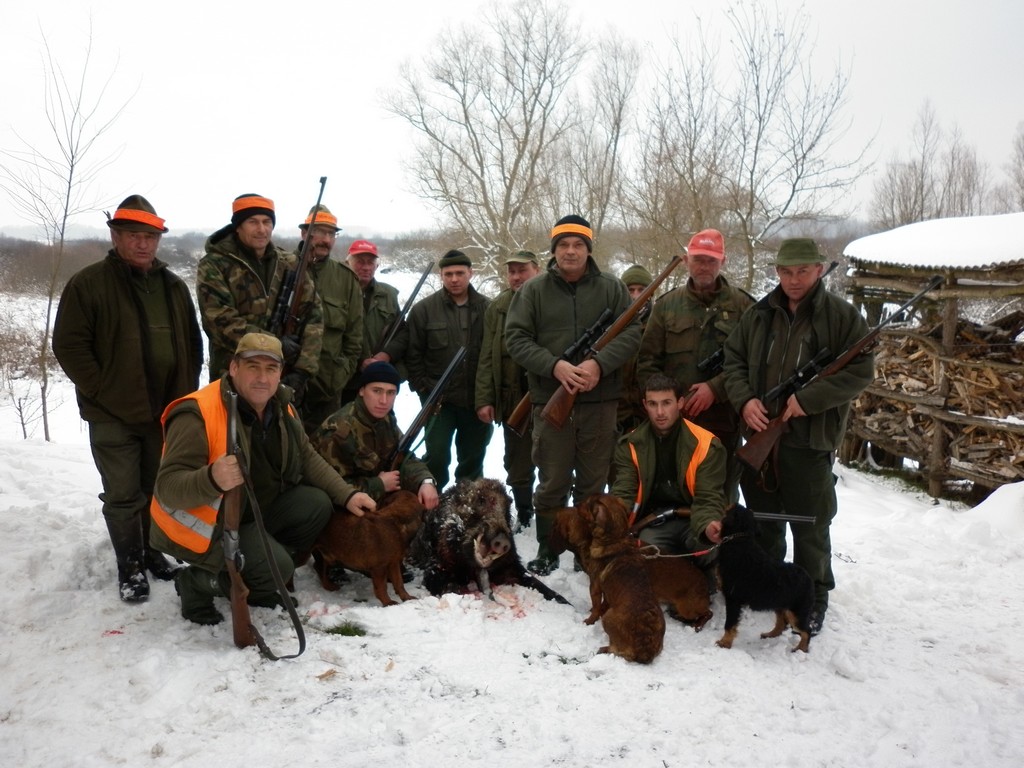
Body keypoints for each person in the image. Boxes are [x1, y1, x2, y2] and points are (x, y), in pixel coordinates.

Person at [150, 333, 376, 625]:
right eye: (252, 366)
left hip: (251, 511)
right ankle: (195, 582)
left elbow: (307, 456)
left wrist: (347, 494)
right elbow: (167, 488)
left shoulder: (282, 406)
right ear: (234, 368)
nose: (262, 378)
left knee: (317, 504)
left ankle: (258, 579)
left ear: (280, 373)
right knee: (278, 567)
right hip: (208, 527)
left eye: (271, 369)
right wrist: (211, 478)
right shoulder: (198, 413)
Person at [52, 195, 203, 604]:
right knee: (122, 494)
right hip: (112, 414)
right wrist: (103, 390)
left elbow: (193, 343)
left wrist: (184, 396)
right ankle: (130, 567)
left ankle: (152, 553)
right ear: (115, 237)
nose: (142, 243)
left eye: (150, 237)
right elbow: (69, 345)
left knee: (155, 487)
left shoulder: (173, 287)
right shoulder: (89, 284)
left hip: (163, 412)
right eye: (133, 235)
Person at [722, 238, 873, 634]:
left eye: (803, 271)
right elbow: (733, 360)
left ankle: (813, 599)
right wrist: (745, 401)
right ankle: (772, 592)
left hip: (810, 441)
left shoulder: (842, 317)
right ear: (777, 272)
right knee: (765, 524)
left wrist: (808, 400)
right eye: (786, 272)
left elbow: (860, 372)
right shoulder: (759, 315)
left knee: (810, 527)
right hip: (760, 437)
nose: (793, 279)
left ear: (819, 270)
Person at [505, 214, 641, 574]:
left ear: (588, 249)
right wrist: (555, 366)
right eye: (563, 244)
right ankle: (548, 549)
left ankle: (585, 550)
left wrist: (599, 365)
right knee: (552, 481)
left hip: (600, 404)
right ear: (553, 250)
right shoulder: (533, 291)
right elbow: (515, 338)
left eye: (578, 244)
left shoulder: (612, 288)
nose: (570, 251)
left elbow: (631, 332)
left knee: (593, 483)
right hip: (551, 401)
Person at [637, 229, 753, 502]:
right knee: (672, 496)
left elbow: (755, 363)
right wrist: (668, 405)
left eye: (711, 260)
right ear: (687, 260)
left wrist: (715, 389)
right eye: (699, 259)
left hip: (723, 424)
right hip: (674, 424)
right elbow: (647, 364)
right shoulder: (666, 306)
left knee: (720, 499)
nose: (704, 266)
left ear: (723, 262)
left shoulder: (744, 306)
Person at [196, 193, 323, 405]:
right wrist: (274, 344)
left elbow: (314, 317)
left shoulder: (290, 263)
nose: (262, 229)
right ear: (238, 226)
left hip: (283, 376)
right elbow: (219, 321)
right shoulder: (214, 265)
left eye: (267, 222)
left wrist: (303, 371)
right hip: (233, 376)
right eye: (253, 222)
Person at [610, 373, 727, 591]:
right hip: (654, 522)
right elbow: (624, 492)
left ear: (680, 403)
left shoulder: (707, 445)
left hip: (695, 519)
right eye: (653, 404)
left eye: (666, 403)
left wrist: (709, 525)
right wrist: (610, 520)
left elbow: (708, 498)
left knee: (706, 543)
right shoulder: (630, 444)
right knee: (647, 549)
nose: (660, 412)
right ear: (645, 405)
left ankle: (705, 573)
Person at [389, 249, 492, 489]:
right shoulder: (423, 310)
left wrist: (489, 394)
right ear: (441, 276)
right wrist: (424, 389)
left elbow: (494, 355)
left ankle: (466, 502)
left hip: (476, 398)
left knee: (473, 457)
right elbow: (413, 354)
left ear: (471, 273)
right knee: (436, 456)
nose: (454, 279)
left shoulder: (488, 309)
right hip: (438, 401)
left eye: (459, 273)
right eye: (448, 274)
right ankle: (431, 501)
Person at [475, 250, 542, 528]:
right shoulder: (498, 307)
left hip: (549, 395)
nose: (516, 277)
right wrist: (484, 398)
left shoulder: (551, 300)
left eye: (522, 270)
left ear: (537, 270)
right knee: (517, 460)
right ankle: (525, 513)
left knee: (556, 459)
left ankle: (553, 513)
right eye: (511, 272)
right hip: (514, 398)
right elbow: (487, 356)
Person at [315, 361, 439, 511]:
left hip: (374, 497)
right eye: (377, 391)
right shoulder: (339, 431)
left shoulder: (386, 420)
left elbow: (404, 457)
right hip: (338, 507)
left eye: (391, 393)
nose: (383, 401)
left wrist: (425, 481)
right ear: (362, 390)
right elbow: (330, 486)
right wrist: (379, 484)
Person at [295, 204, 364, 435]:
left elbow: (354, 337)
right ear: (304, 233)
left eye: (331, 234)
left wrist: (340, 376)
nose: (325, 239)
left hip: (326, 392)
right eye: (319, 232)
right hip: (282, 386)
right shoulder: (283, 267)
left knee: (324, 450)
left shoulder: (346, 279)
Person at [341, 239, 402, 404]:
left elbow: (402, 332)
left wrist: (386, 355)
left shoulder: (389, 294)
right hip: (344, 380)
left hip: (379, 381)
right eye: (360, 262)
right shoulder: (337, 292)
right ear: (347, 263)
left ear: (377, 266)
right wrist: (360, 361)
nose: (366, 267)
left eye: (370, 262)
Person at [616, 263, 655, 435]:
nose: (636, 296)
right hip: (616, 417)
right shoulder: (611, 330)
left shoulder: (658, 327)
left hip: (649, 417)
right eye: (630, 290)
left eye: (642, 290)